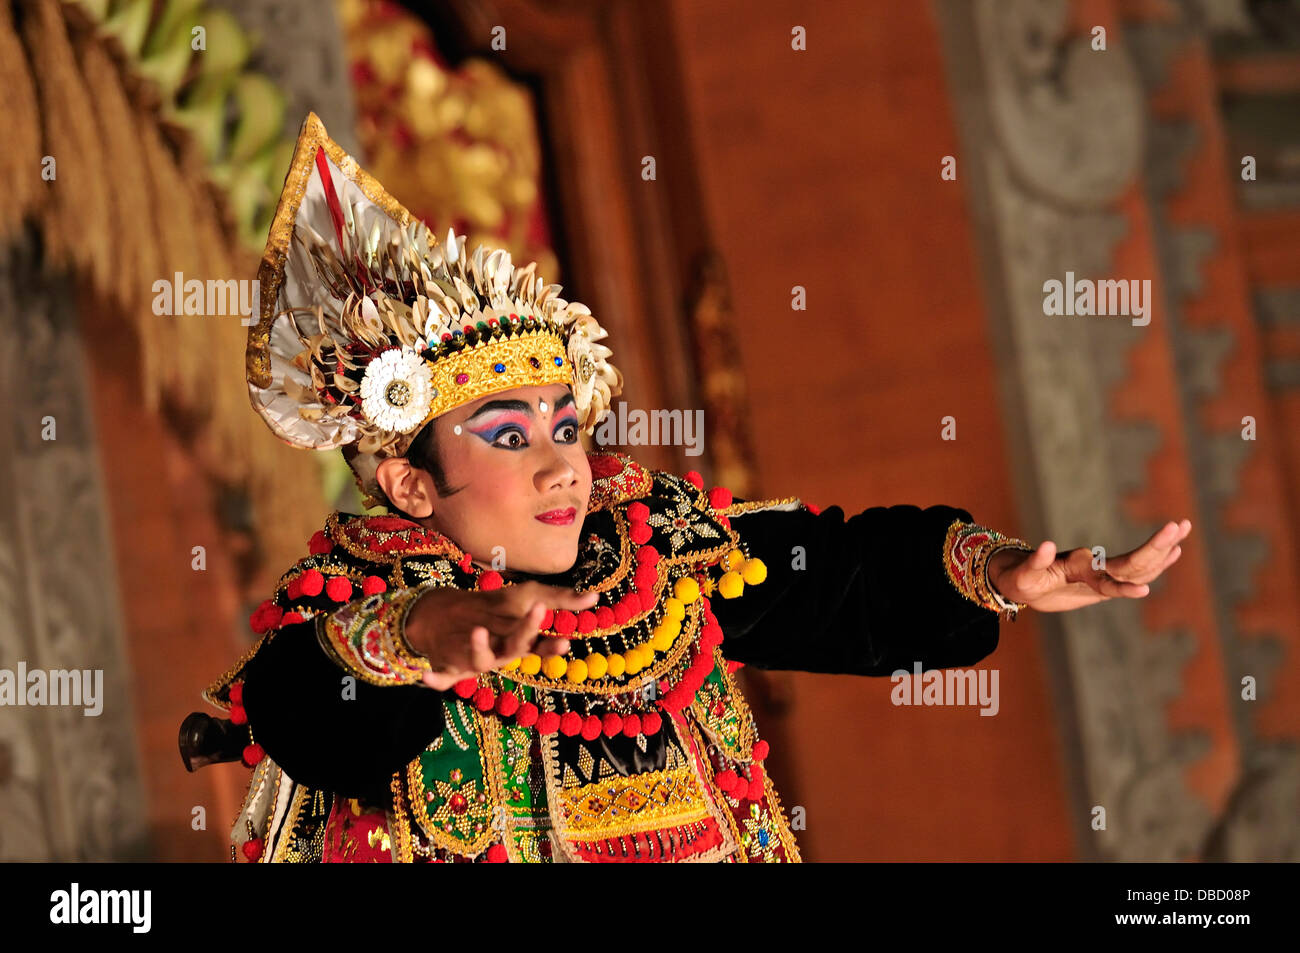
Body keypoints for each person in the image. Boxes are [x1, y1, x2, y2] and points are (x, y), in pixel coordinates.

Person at [194, 112, 1191, 863]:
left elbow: (836, 576)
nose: (562, 462)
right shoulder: (355, 608)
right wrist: (427, 636)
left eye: (567, 424)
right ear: (412, 483)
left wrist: (1005, 575)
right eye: (507, 434)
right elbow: (306, 707)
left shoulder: (656, 554)